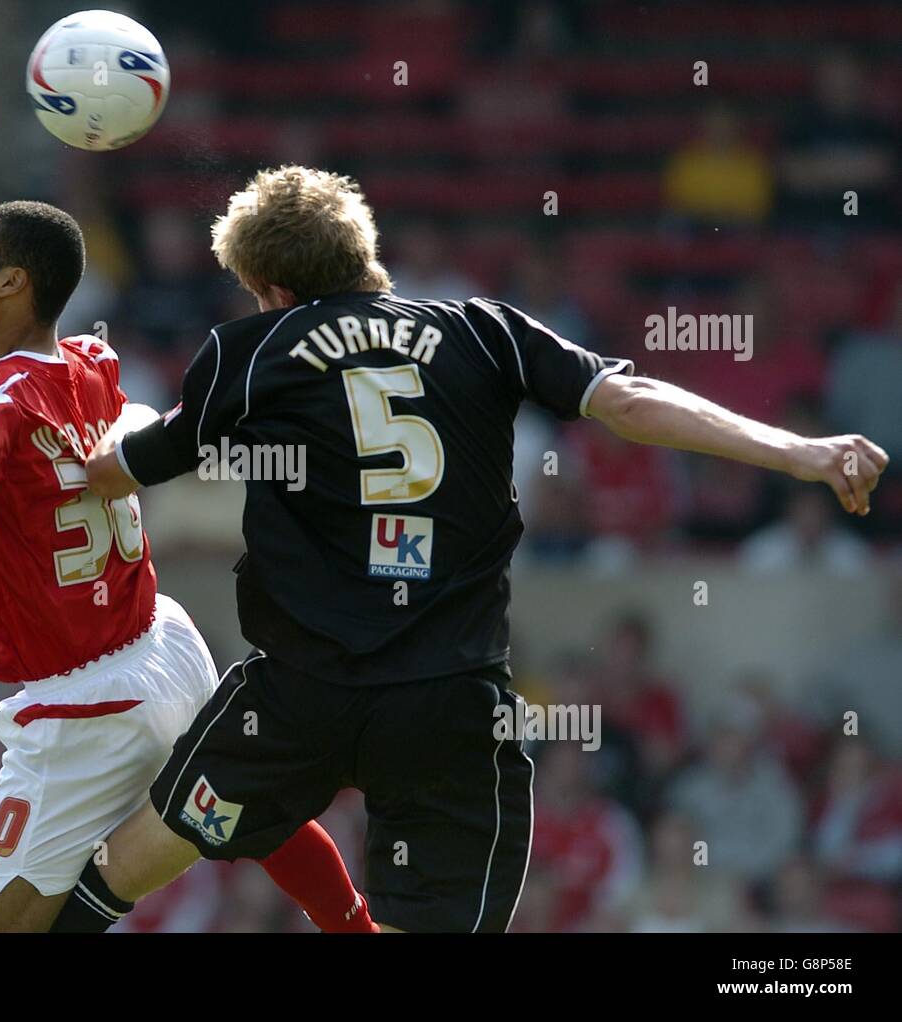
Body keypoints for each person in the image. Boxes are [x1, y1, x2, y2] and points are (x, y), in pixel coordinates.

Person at [54, 165, 888, 933]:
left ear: (273, 290)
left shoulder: (250, 350)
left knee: (123, 868)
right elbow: (630, 403)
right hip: (449, 707)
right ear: (363, 253)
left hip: (299, 698)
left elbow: (118, 472)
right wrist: (799, 452)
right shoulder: (487, 330)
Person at [0, 199, 375, 933]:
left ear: (13, 283)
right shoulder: (90, 365)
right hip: (165, 647)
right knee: (252, 811)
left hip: (86, 705)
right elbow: (133, 427)